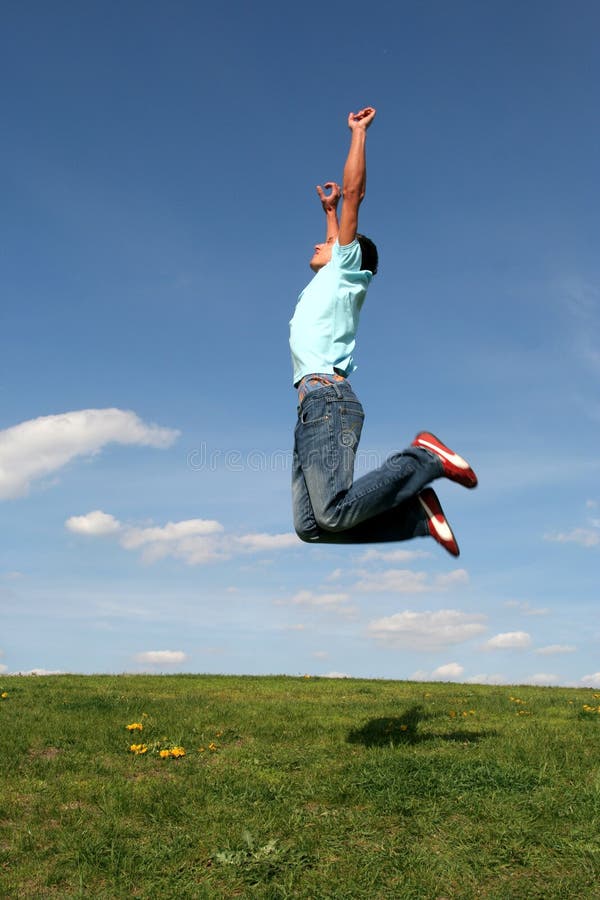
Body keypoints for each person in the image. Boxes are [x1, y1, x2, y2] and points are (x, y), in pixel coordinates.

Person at [289, 107, 477, 557]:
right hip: (312, 407)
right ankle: (418, 516)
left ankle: (423, 458)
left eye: (330, 241)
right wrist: (329, 211)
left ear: (349, 254)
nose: (320, 243)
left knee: (332, 513)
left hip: (328, 400)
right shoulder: (332, 278)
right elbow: (334, 240)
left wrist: (358, 134)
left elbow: (354, 194)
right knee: (312, 526)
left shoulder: (345, 271)